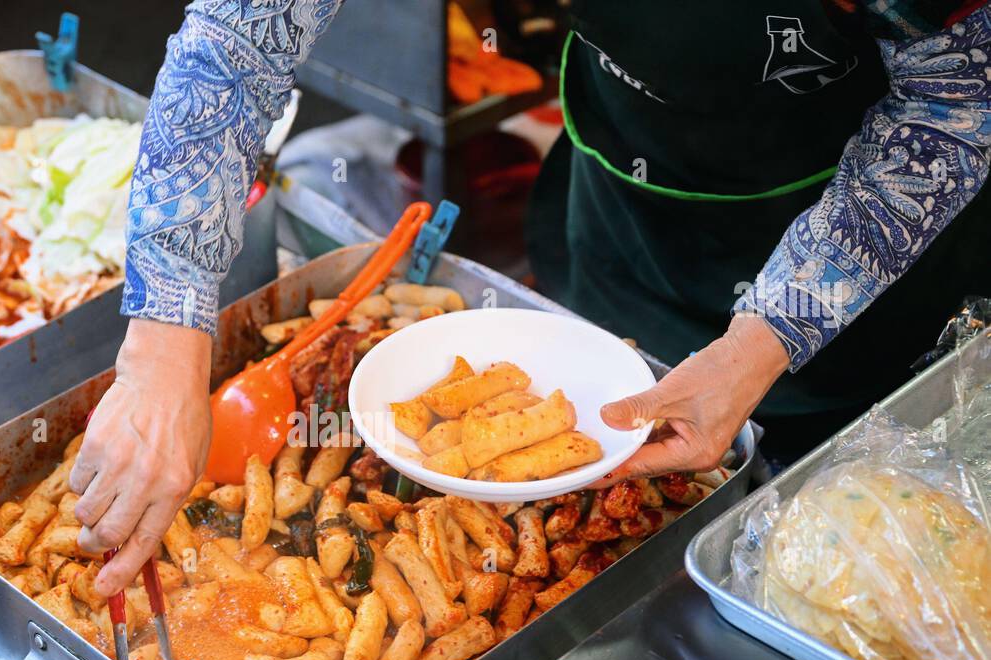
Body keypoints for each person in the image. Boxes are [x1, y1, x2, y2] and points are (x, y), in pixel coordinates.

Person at [72, 0, 991, 595]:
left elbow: (951, 109)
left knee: (838, 572)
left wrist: (765, 338)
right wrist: (161, 347)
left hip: (860, 274)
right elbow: (237, 43)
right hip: (631, 211)